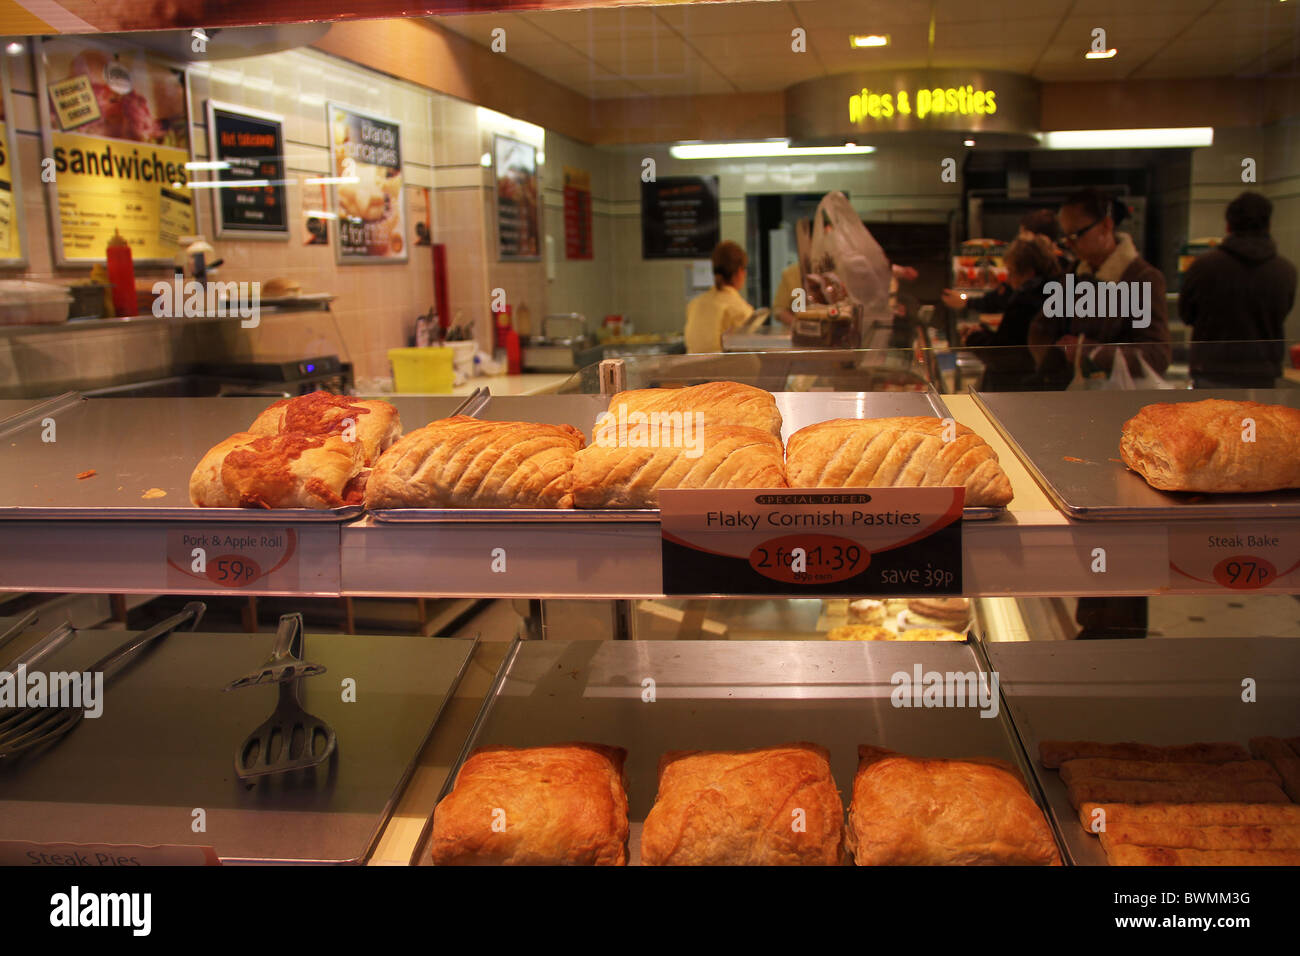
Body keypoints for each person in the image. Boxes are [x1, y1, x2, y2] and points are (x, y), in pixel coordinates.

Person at [1035, 188, 1171, 385]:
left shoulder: (1140, 278)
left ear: (1106, 225)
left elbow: (1157, 356)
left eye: (1076, 235)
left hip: (1118, 398)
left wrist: (1089, 351)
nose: (1070, 245)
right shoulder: (1073, 274)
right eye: (1066, 238)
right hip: (1072, 394)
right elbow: (1044, 327)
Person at [1180, 191, 1297, 388]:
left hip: (1211, 372)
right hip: (1263, 375)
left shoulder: (1203, 267)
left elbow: (1187, 315)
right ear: (1268, 225)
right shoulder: (1285, 270)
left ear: (1228, 226)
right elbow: (1282, 313)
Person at [961, 236, 1061, 391]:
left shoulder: (1025, 300)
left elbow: (1004, 353)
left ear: (1028, 272)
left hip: (1018, 386)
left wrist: (974, 338)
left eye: (1011, 272)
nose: (1008, 279)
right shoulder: (1057, 291)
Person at [942, 208, 1066, 314]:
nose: (1018, 241)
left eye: (1021, 235)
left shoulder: (1032, 278)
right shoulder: (1066, 266)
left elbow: (1005, 299)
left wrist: (968, 303)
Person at [685, 240, 751, 353]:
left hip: (692, 369)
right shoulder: (740, 310)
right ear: (740, 271)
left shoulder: (694, 304)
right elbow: (746, 354)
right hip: (721, 369)